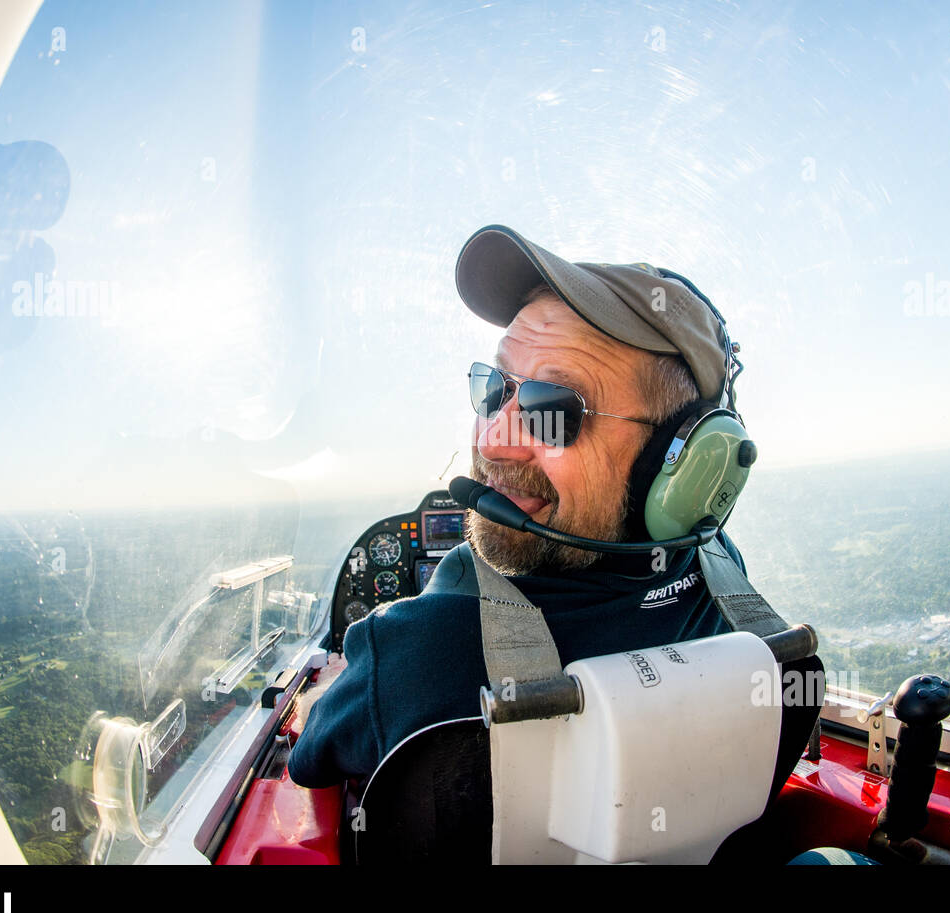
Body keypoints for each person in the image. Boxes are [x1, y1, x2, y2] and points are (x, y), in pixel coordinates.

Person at [289, 224, 753, 789]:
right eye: (494, 387)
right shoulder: (729, 585)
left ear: (679, 463)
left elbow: (309, 759)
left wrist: (338, 683)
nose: (490, 441)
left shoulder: (422, 655)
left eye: (552, 406)